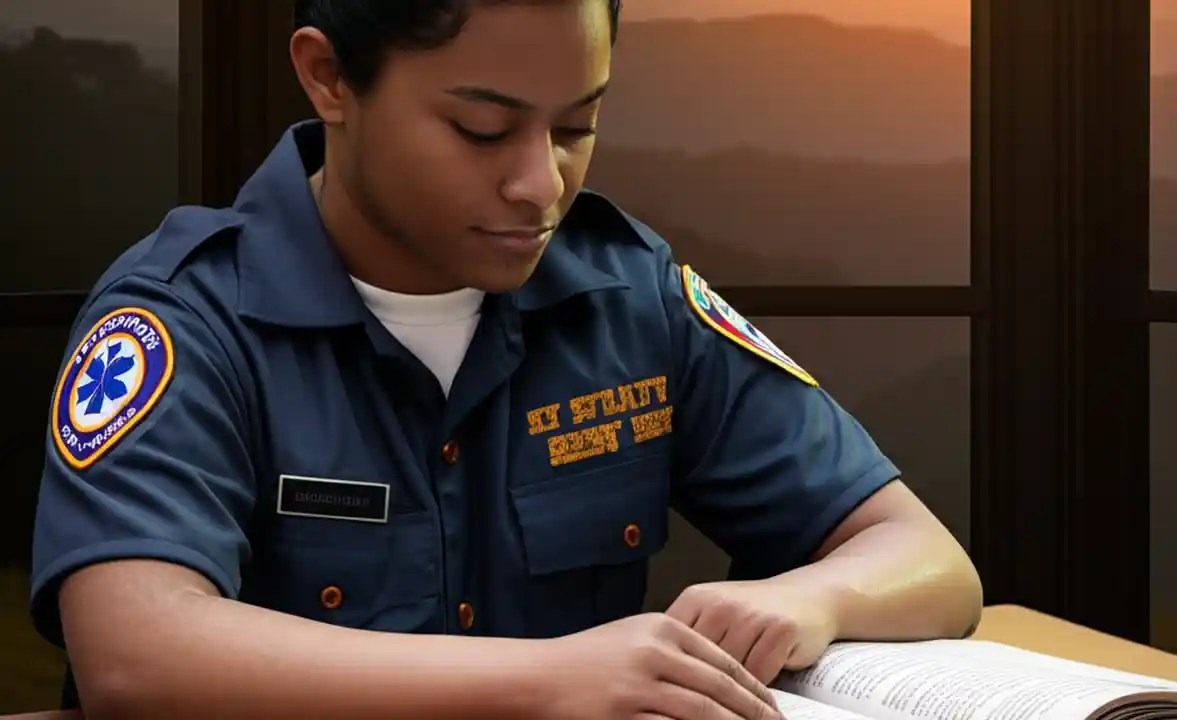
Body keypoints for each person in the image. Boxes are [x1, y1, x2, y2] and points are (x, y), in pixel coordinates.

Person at [29, 1, 983, 718]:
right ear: (329, 78)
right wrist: (554, 679)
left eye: (577, 127)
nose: (541, 186)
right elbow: (133, 654)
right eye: (482, 129)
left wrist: (810, 599)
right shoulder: (182, 321)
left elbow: (931, 562)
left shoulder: (627, 298)